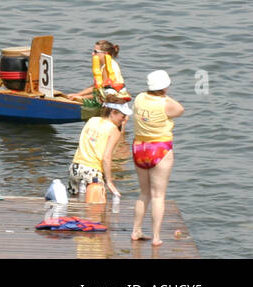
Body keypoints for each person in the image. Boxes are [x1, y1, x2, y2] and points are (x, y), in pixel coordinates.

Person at [131, 71, 184, 246]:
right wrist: (166, 96)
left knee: (144, 192)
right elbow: (180, 109)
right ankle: (156, 237)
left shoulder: (138, 98)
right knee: (158, 195)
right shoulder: (166, 103)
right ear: (165, 86)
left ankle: (135, 230)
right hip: (159, 148)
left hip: (140, 147)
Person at [68, 103, 130, 201]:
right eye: (123, 116)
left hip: (75, 168)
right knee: (96, 211)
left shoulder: (92, 120)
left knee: (74, 205)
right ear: (113, 112)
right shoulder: (113, 130)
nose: (125, 119)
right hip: (93, 171)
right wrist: (109, 182)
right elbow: (106, 157)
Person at [72, 40, 131, 106]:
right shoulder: (106, 65)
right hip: (111, 100)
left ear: (105, 53)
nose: (92, 54)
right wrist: (78, 94)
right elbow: (97, 86)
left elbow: (103, 93)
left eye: (95, 52)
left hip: (115, 105)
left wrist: (82, 97)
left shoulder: (108, 68)